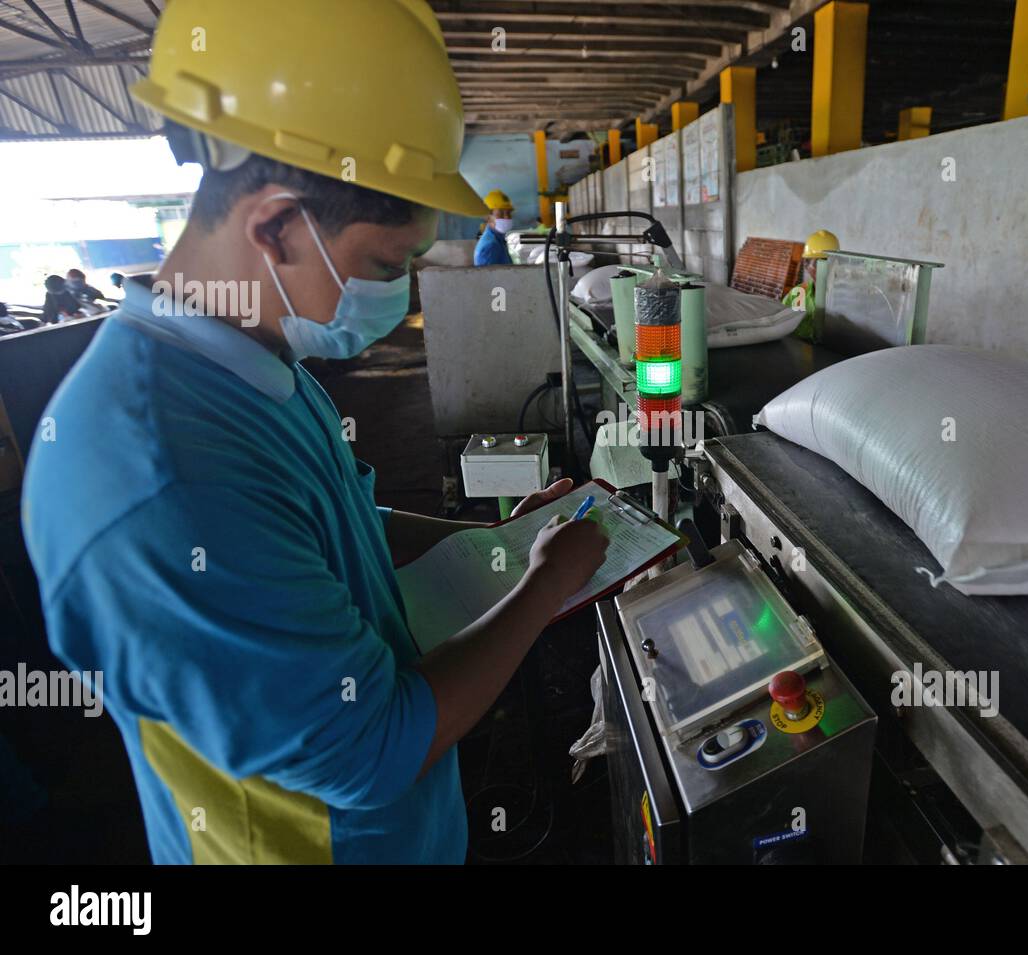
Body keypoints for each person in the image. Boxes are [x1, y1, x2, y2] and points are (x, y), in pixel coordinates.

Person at [22, 0, 608, 865]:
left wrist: (500, 542)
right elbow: (374, 749)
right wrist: (539, 593)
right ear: (274, 225)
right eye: (383, 266)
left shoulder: (247, 367)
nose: (399, 301)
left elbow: (337, 530)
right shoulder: (158, 475)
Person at [783, 229, 839, 340]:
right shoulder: (798, 293)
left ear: (836, 263)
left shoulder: (842, 298)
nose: (814, 267)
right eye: (810, 261)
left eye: (823, 260)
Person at [473, 189, 514, 266]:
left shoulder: (498, 240)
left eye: (508, 213)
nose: (507, 217)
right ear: (487, 217)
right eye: (500, 213)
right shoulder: (490, 246)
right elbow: (489, 277)